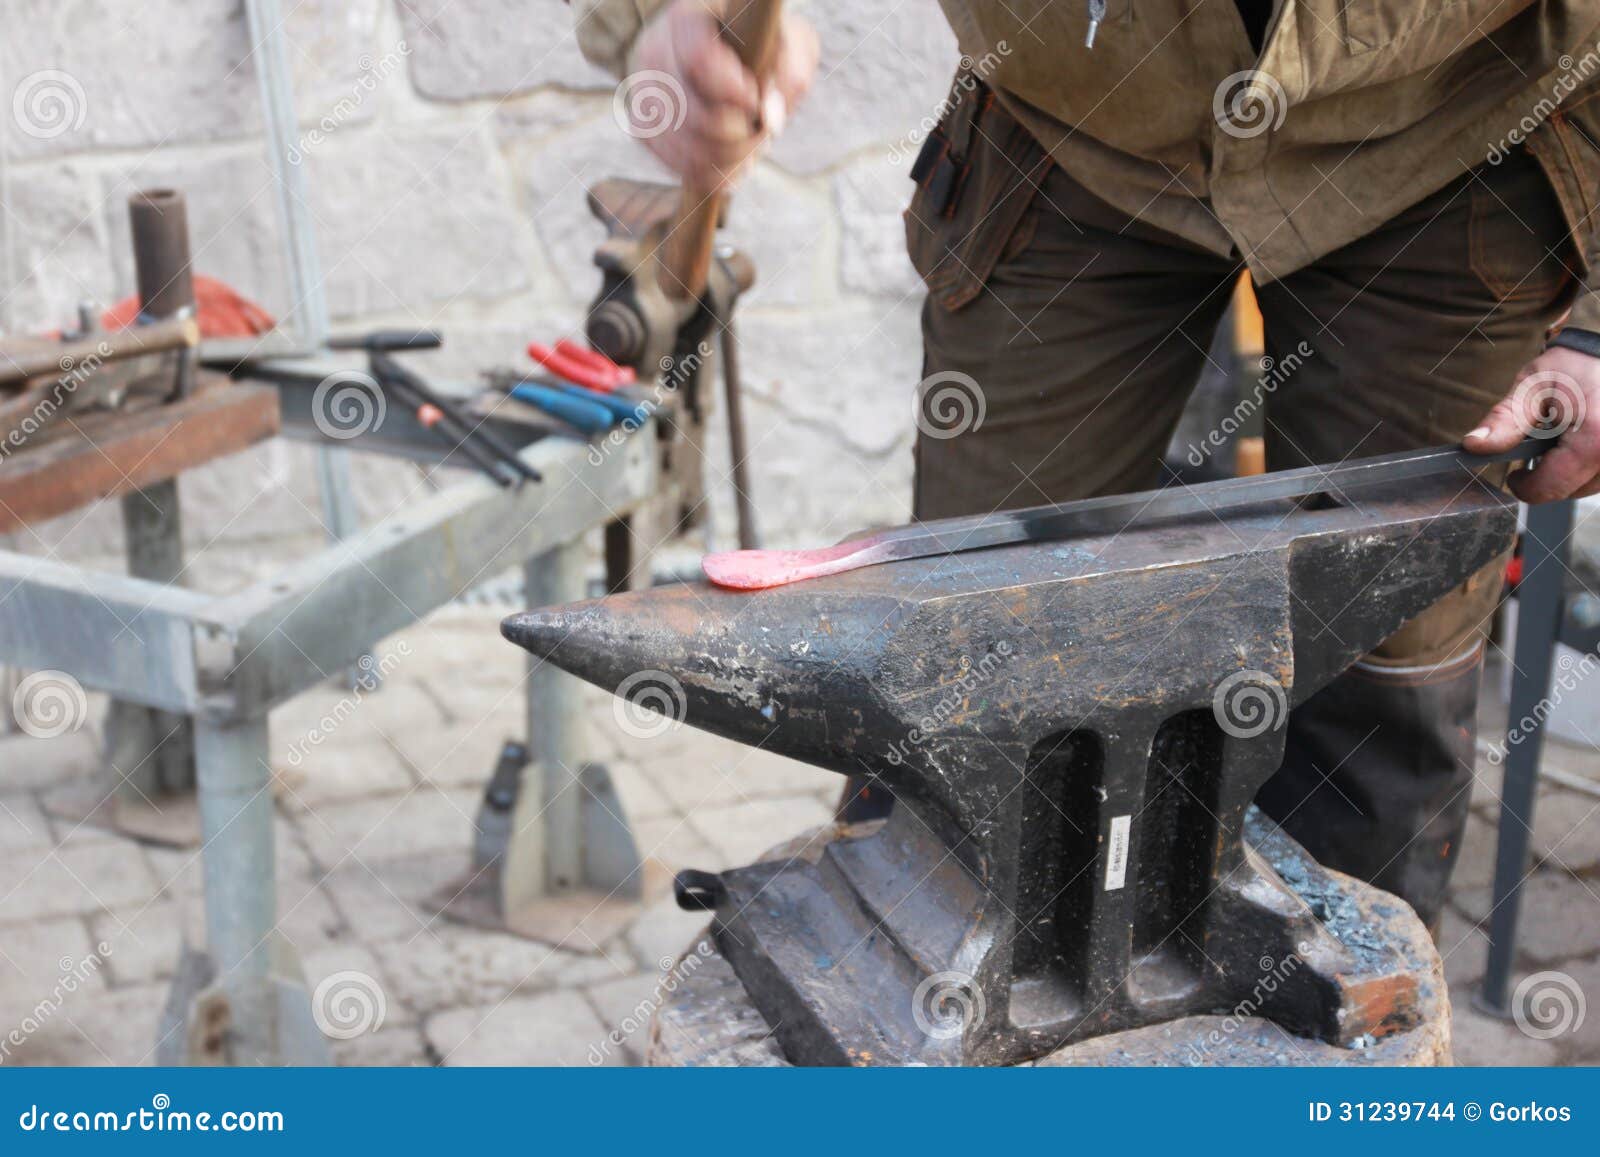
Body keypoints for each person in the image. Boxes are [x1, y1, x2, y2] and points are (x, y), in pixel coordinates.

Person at [571, 0, 1600, 928]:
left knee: (1382, 640)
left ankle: (1317, 1053)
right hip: (1078, 115)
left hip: (1451, 138)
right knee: (964, 634)